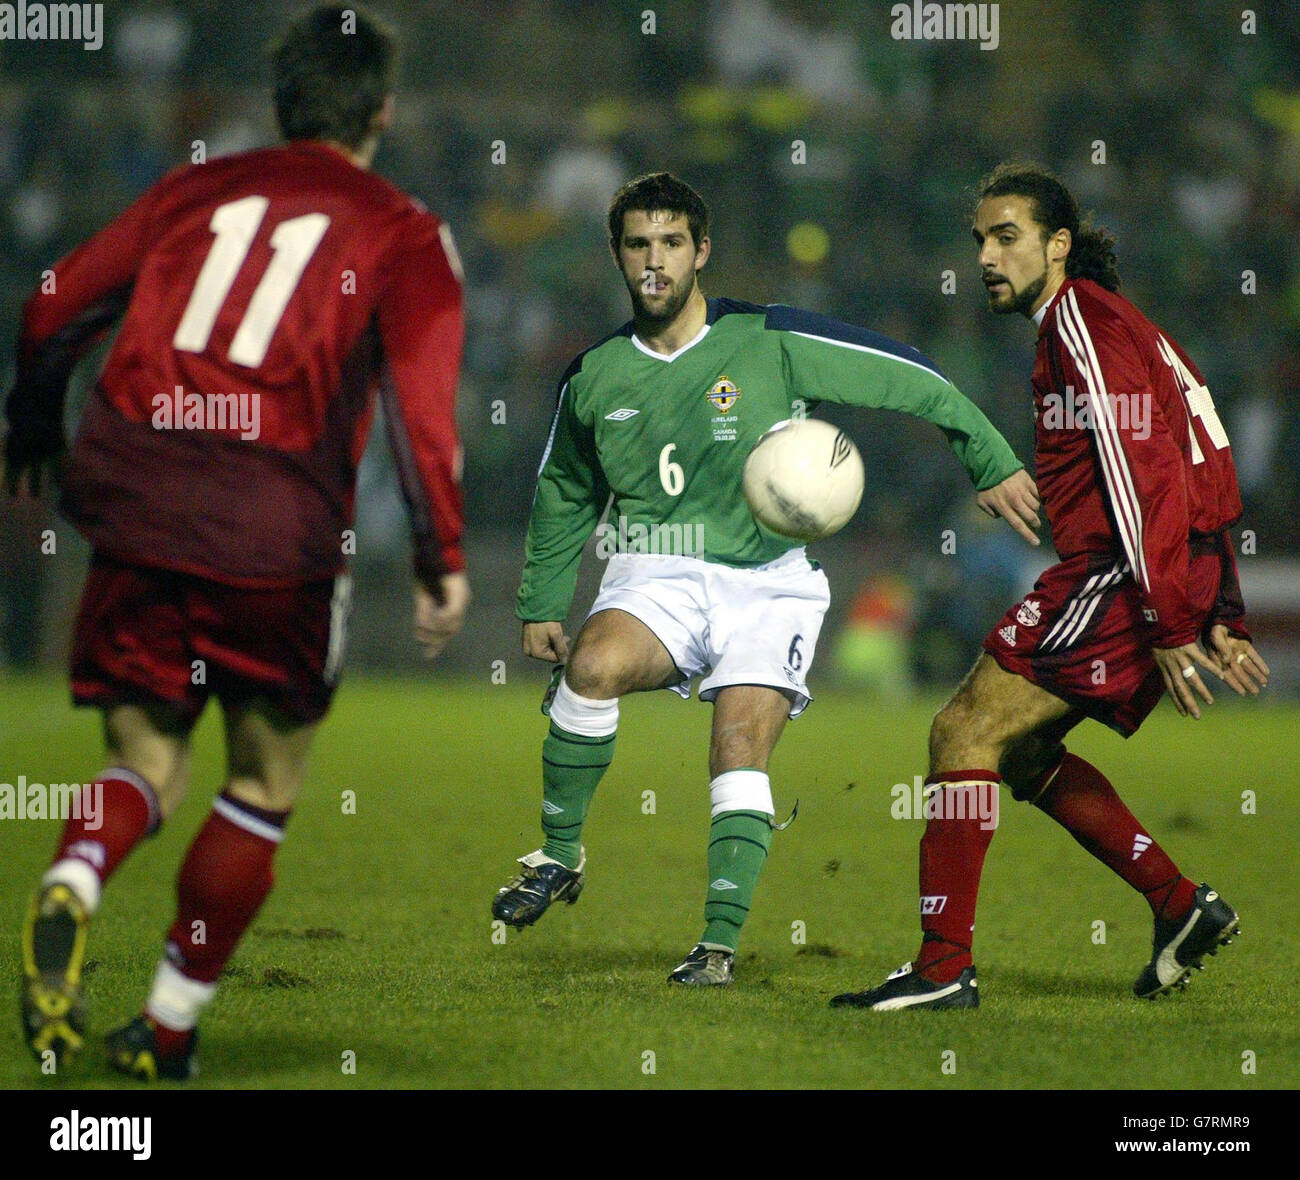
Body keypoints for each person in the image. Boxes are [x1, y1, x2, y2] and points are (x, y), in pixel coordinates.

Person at [7, 3, 468, 1079]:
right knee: (260, 784)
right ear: (382, 112)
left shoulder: (193, 189)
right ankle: (165, 1025)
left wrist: (33, 427)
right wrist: (439, 557)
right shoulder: (401, 231)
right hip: (277, 530)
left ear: (282, 101)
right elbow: (425, 408)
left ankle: (78, 870)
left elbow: (50, 308)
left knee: (145, 763)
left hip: (136, 500)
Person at [492, 171, 1040, 986]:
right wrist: (542, 600)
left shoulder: (770, 338)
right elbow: (565, 487)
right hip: (656, 569)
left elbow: (910, 375)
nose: (655, 261)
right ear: (616, 254)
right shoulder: (595, 374)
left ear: (701, 251)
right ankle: (559, 853)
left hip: (770, 581)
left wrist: (987, 455)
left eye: (671, 243)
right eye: (638, 244)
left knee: (739, 744)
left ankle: (715, 948)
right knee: (592, 666)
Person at [831, 163, 1268, 1012]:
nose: (988, 257)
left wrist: (1174, 618)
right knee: (1023, 750)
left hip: (1117, 571)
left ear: (1058, 244)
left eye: (1007, 237)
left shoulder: (1079, 320)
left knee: (962, 730)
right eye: (980, 241)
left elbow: (1141, 466)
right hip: (1151, 566)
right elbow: (1200, 458)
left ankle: (941, 967)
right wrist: (1217, 602)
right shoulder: (1116, 322)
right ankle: (1181, 907)